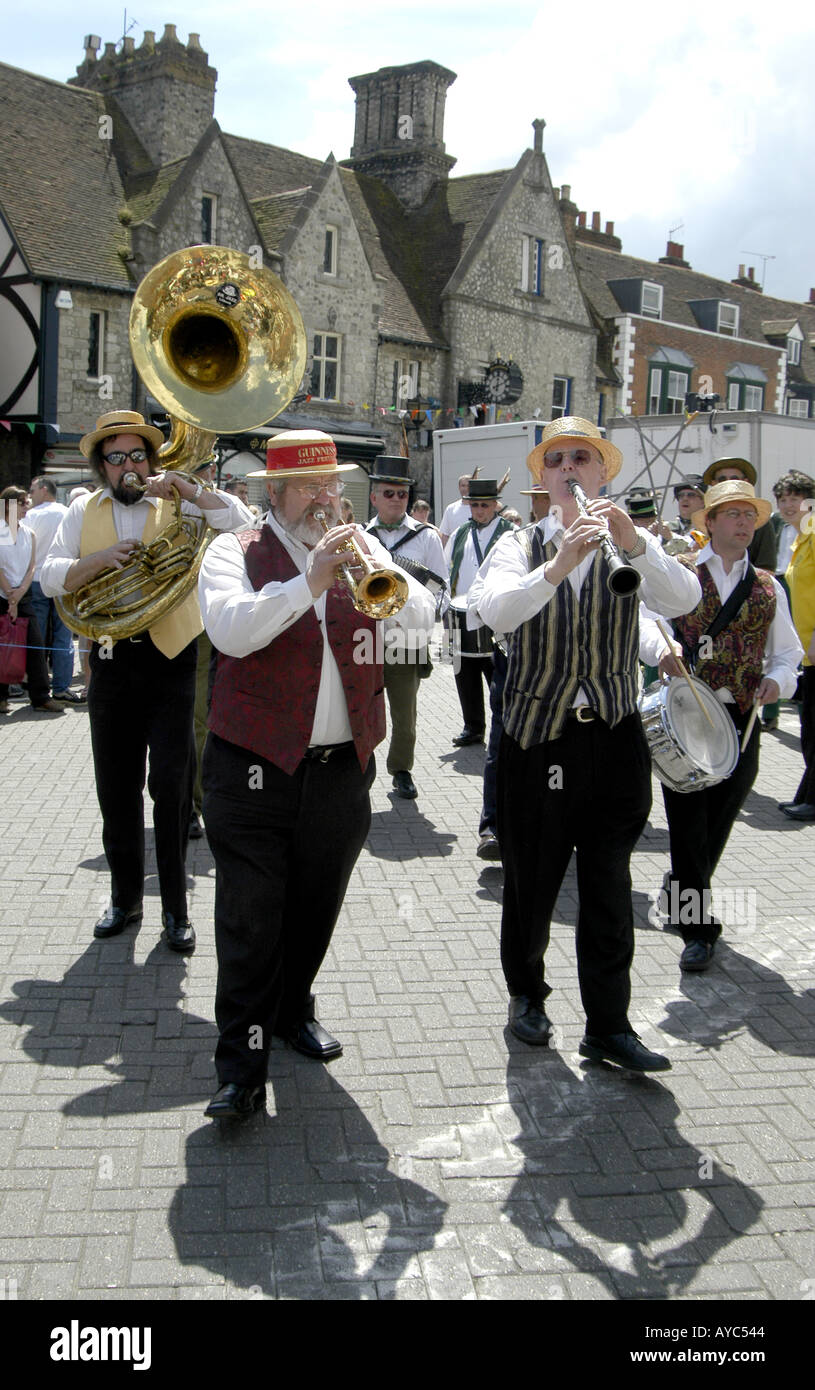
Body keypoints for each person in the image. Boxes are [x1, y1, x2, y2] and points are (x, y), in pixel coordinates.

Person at [197, 430, 435, 1121]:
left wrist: (371, 565)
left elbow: (420, 625)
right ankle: (241, 1067)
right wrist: (310, 582)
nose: (324, 500)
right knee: (250, 920)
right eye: (308, 487)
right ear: (275, 493)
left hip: (340, 767)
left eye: (332, 486)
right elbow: (231, 631)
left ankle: (293, 1008)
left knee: (314, 906)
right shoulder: (232, 550)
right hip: (251, 765)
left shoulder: (364, 548)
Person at [475, 417, 702, 1072]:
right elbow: (494, 612)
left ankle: (608, 1025)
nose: (569, 469)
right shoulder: (518, 545)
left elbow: (679, 599)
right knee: (531, 882)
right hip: (536, 741)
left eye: (582, 458)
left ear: (603, 472)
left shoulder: (628, 542)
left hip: (610, 736)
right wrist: (556, 566)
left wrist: (635, 545)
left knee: (607, 886)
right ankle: (527, 996)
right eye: (557, 460)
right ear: (541, 478)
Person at [40, 409, 252, 952]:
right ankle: (125, 898)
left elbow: (241, 520)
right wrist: (99, 562)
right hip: (110, 660)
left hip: (171, 659)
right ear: (101, 466)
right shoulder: (80, 510)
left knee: (173, 789)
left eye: (138, 455)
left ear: (151, 460)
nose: (129, 466)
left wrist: (187, 485)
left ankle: (177, 912)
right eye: (117, 458)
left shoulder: (178, 503)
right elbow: (48, 575)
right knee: (117, 787)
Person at [640, 480, 802, 968]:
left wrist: (777, 681)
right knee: (689, 825)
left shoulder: (769, 586)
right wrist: (660, 652)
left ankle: (678, 890)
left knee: (718, 822)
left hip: (741, 718)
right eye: (732, 514)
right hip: (688, 712)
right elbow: (648, 621)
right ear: (708, 522)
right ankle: (699, 928)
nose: (744, 522)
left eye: (750, 515)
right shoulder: (681, 572)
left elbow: (788, 652)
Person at [364, 456, 448, 799]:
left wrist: (414, 601)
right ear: (374, 497)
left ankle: (401, 769)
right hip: (365, 635)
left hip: (406, 636)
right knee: (361, 708)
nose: (397, 499)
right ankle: (359, 768)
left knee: (404, 713)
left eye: (403, 494)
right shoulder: (361, 535)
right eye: (389, 493)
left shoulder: (426, 537)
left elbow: (441, 588)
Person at [445, 478, 514, 746]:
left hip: (495, 613)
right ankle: (473, 727)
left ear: (496, 505)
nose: (479, 510)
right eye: (474, 505)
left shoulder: (510, 532)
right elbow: (445, 567)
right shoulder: (460, 532)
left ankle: (505, 725)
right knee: (465, 673)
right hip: (461, 614)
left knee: (497, 672)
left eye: (484, 505)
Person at [0, 486, 65, 715]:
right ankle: (1, 697)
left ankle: (40, 697)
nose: (26, 507)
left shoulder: (29, 532)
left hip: (22, 594)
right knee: (4, 646)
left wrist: (19, 594)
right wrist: (11, 597)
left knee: (35, 645)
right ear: (8, 505)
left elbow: (31, 566)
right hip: (4, 594)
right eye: (21, 503)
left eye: (26, 502)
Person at [775, 470, 815, 820]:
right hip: (806, 650)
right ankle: (808, 793)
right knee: (810, 728)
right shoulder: (799, 539)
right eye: (783, 499)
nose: (788, 505)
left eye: (795, 498)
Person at [24, 476, 81, 703]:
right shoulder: (67, 512)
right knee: (63, 636)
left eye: (32, 490)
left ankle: (37, 687)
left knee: (37, 638)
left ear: (44, 490)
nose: (30, 495)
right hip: (63, 580)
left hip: (36, 579)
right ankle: (61, 687)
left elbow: (14, 542)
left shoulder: (31, 515)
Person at [701, 458, 777, 570]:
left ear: (745, 482)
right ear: (710, 523)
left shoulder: (763, 525)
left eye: (734, 479)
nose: (728, 483)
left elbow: (767, 568)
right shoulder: (690, 570)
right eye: (722, 479)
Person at [439, 474, 472, 545]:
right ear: (459, 487)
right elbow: (445, 535)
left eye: (468, 486)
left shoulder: (479, 509)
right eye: (463, 486)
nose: (466, 488)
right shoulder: (450, 509)